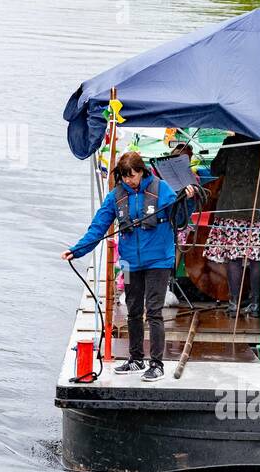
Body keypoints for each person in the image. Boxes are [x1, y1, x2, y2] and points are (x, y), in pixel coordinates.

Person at [61, 151, 178, 381]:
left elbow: (182, 218)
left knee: (153, 311)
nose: (128, 181)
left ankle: (157, 364)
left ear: (142, 171)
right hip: (128, 263)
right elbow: (98, 227)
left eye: (132, 176)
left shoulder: (162, 189)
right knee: (133, 311)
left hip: (158, 261)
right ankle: (136, 359)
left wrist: (191, 197)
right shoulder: (116, 197)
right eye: (124, 177)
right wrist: (77, 250)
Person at [205, 133, 260, 317]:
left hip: (232, 208)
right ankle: (255, 304)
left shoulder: (231, 142)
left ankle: (234, 304)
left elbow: (215, 168)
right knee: (257, 258)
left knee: (234, 257)